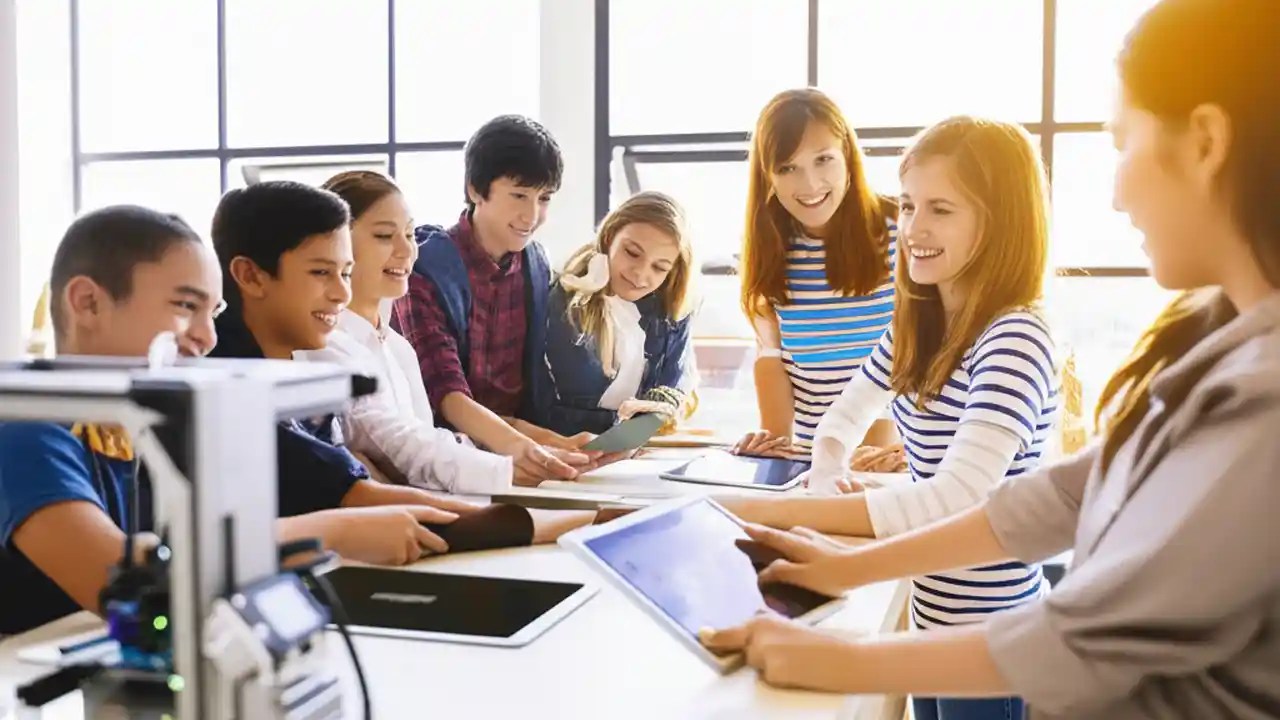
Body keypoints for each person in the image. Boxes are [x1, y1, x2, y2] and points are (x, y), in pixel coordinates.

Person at [702, 1, 1280, 717]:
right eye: (910, 207)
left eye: (1124, 143)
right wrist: (841, 561)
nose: (1117, 190)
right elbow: (1053, 499)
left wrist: (836, 652)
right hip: (947, 617)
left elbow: (1086, 641)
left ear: (1205, 142)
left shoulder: (1258, 392)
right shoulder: (1215, 340)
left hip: (999, 640)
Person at [725, 115, 1058, 720]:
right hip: (929, 627)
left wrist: (790, 513)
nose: (913, 229)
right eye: (907, 206)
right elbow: (839, 421)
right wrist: (826, 476)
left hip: (992, 643)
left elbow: (959, 496)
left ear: (1001, 219)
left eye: (941, 209)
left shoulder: (1013, 338)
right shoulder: (921, 328)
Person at [0, 206, 459, 636]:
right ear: (88, 303)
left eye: (213, 313)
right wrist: (335, 530)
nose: (206, 337)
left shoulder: (145, 436)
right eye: (184, 307)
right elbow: (134, 590)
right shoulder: (28, 434)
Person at [298, 170, 552, 492]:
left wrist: (533, 456)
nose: (407, 251)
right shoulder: (324, 347)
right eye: (384, 236)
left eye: (408, 233)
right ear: (337, 244)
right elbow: (406, 449)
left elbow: (426, 445)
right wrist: (507, 467)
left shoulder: (399, 348)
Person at [391, 115, 593, 482]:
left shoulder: (536, 262)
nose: (532, 215)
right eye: (519, 195)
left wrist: (560, 443)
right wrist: (525, 449)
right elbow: (448, 399)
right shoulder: (424, 269)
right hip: (445, 458)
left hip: (512, 443)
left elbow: (522, 397)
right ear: (475, 190)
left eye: (544, 199)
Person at [732, 88, 900, 461]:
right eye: (788, 168)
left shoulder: (901, 231)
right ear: (768, 175)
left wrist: (876, 451)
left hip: (894, 458)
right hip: (813, 462)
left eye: (823, 160)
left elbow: (921, 358)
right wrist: (771, 446)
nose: (809, 185)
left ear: (848, 157)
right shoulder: (769, 251)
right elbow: (771, 355)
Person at [536, 190, 699, 436]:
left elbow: (675, 386)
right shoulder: (563, 298)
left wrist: (659, 413)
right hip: (565, 445)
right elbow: (541, 406)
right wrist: (624, 425)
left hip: (639, 450)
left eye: (659, 267)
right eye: (632, 253)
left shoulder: (672, 310)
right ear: (610, 235)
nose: (640, 275)